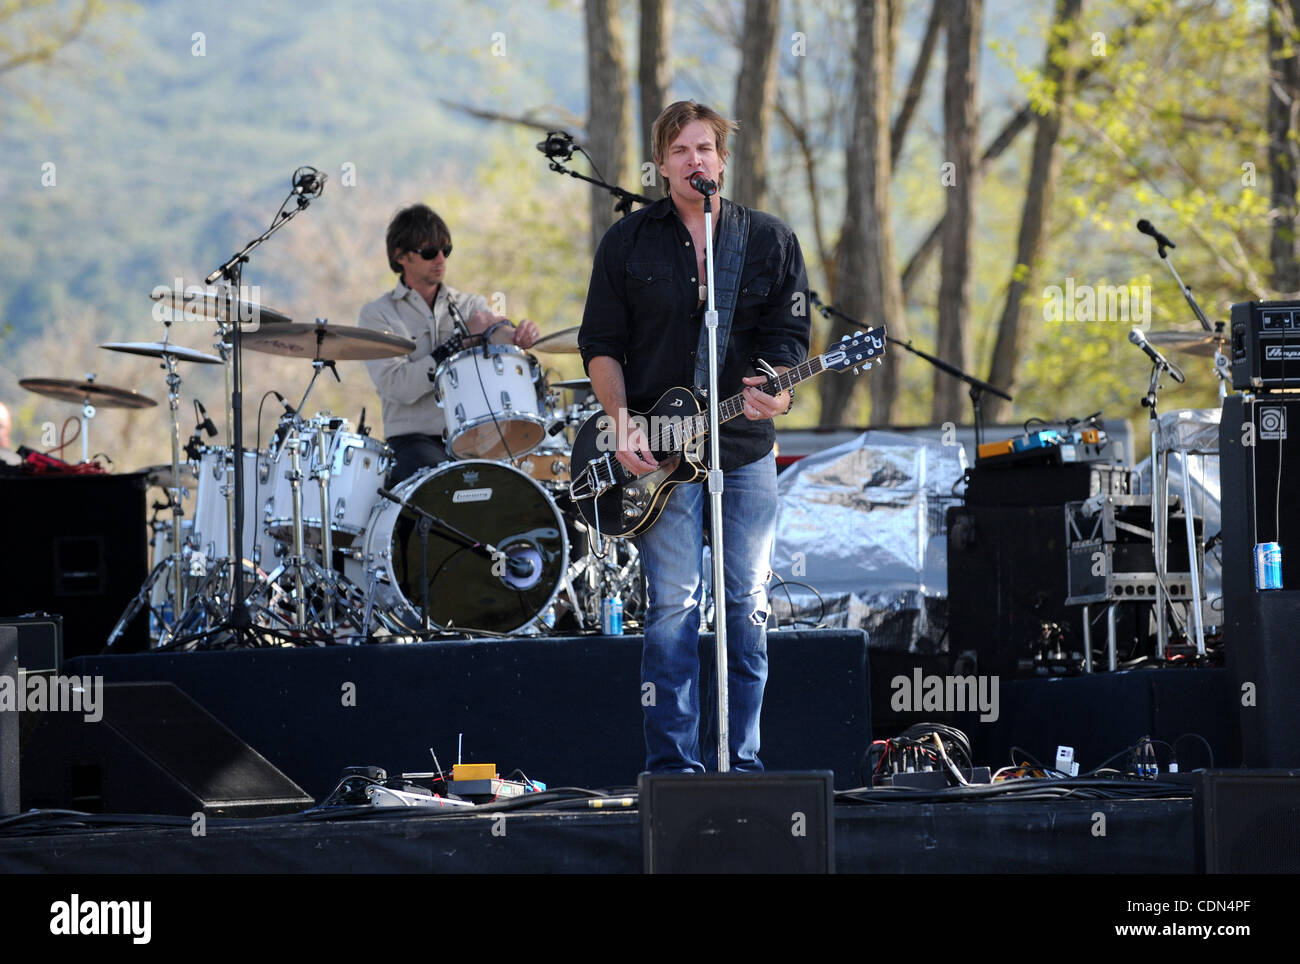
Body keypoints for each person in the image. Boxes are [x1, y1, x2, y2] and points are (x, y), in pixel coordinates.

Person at [579, 101, 810, 773]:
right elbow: (601, 343)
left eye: (705, 148)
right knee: (674, 606)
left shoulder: (767, 239)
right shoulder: (627, 242)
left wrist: (780, 389)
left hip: (743, 449)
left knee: (748, 605)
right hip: (657, 456)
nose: (694, 160)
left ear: (723, 159)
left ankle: (742, 762)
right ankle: (674, 767)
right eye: (680, 150)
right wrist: (620, 421)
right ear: (661, 163)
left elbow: (789, 343)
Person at [358, 204, 540, 485]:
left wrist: (518, 337)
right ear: (401, 256)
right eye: (430, 252)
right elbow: (398, 386)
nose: (441, 259)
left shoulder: (470, 304)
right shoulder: (378, 314)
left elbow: (498, 333)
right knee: (445, 486)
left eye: (446, 250)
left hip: (475, 440)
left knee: (516, 490)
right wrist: (460, 343)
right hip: (411, 441)